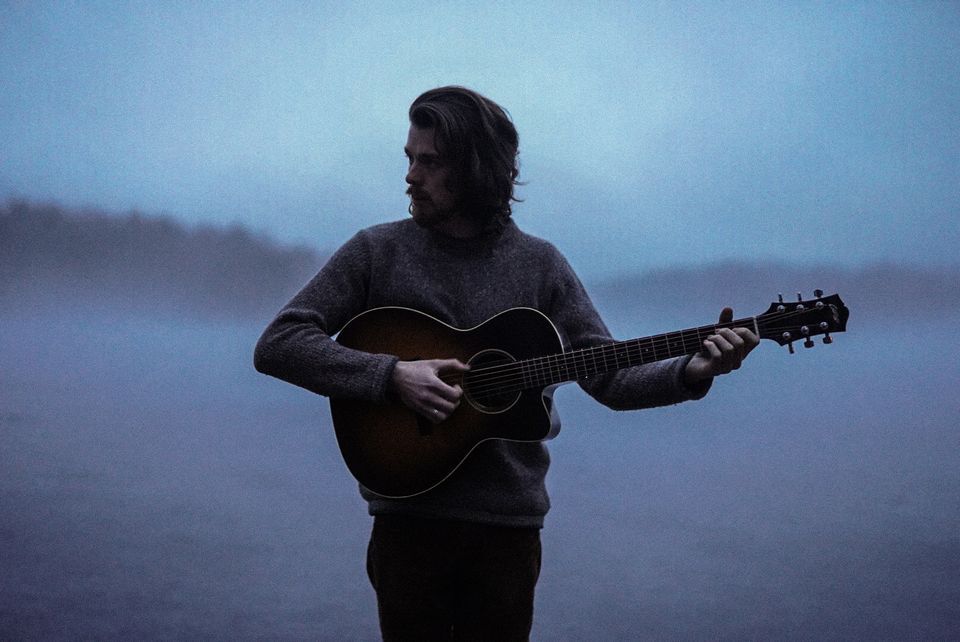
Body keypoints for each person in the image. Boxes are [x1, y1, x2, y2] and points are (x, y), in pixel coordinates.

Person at [254, 86, 757, 640]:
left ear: (476, 170)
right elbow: (280, 342)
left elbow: (610, 377)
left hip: (507, 532)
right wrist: (391, 376)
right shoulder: (377, 251)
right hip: (408, 522)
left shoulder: (540, 265)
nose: (410, 176)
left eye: (430, 162)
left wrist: (692, 372)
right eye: (410, 158)